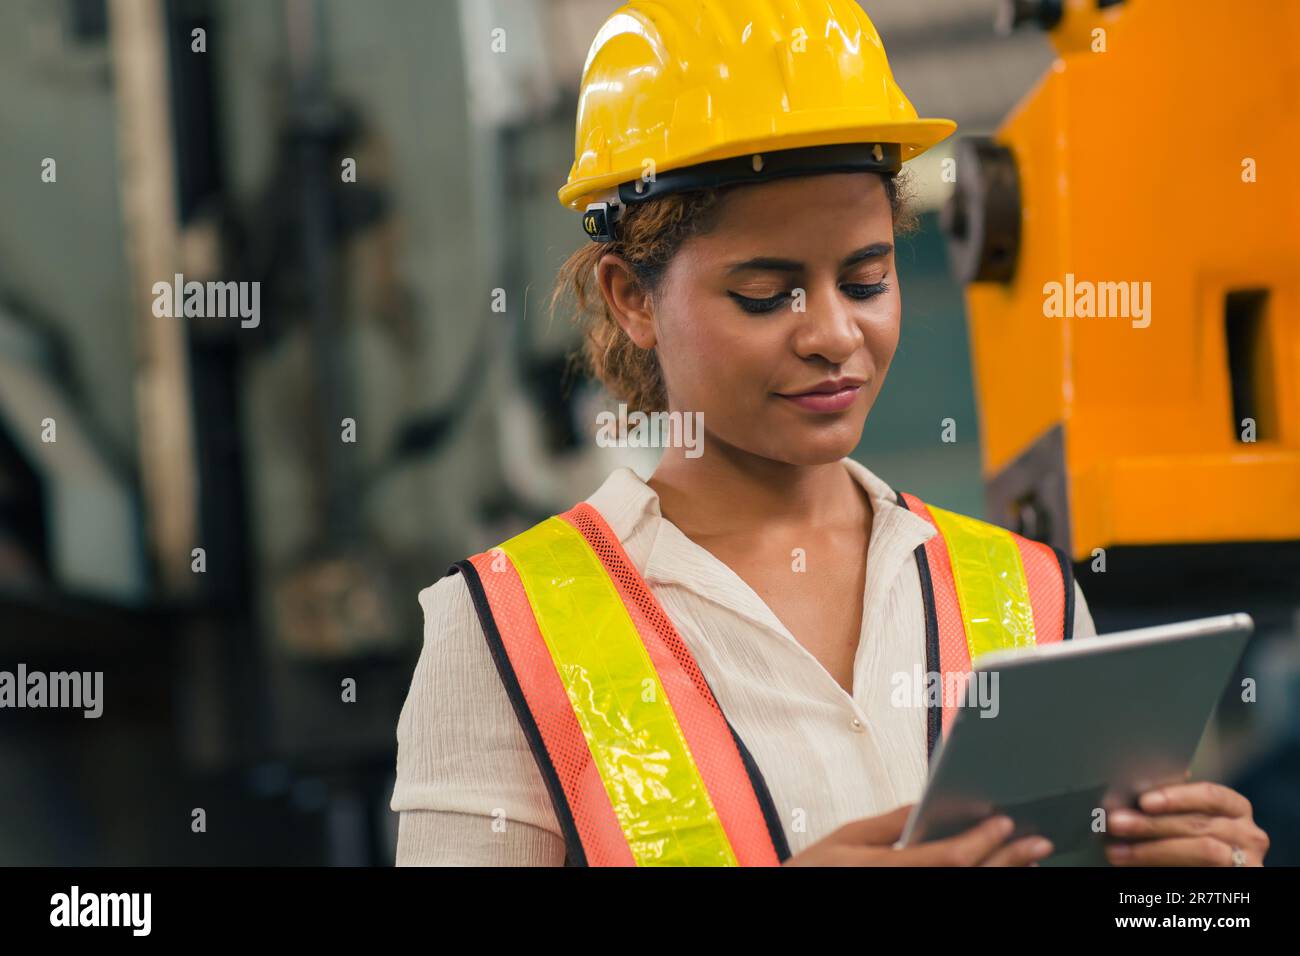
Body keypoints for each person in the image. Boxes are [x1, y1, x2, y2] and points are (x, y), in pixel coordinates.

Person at [390, 0, 1269, 867]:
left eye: (866, 279)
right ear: (631, 298)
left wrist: (1193, 892)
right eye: (766, 295)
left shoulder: (1024, 595)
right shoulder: (502, 631)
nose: (834, 335)